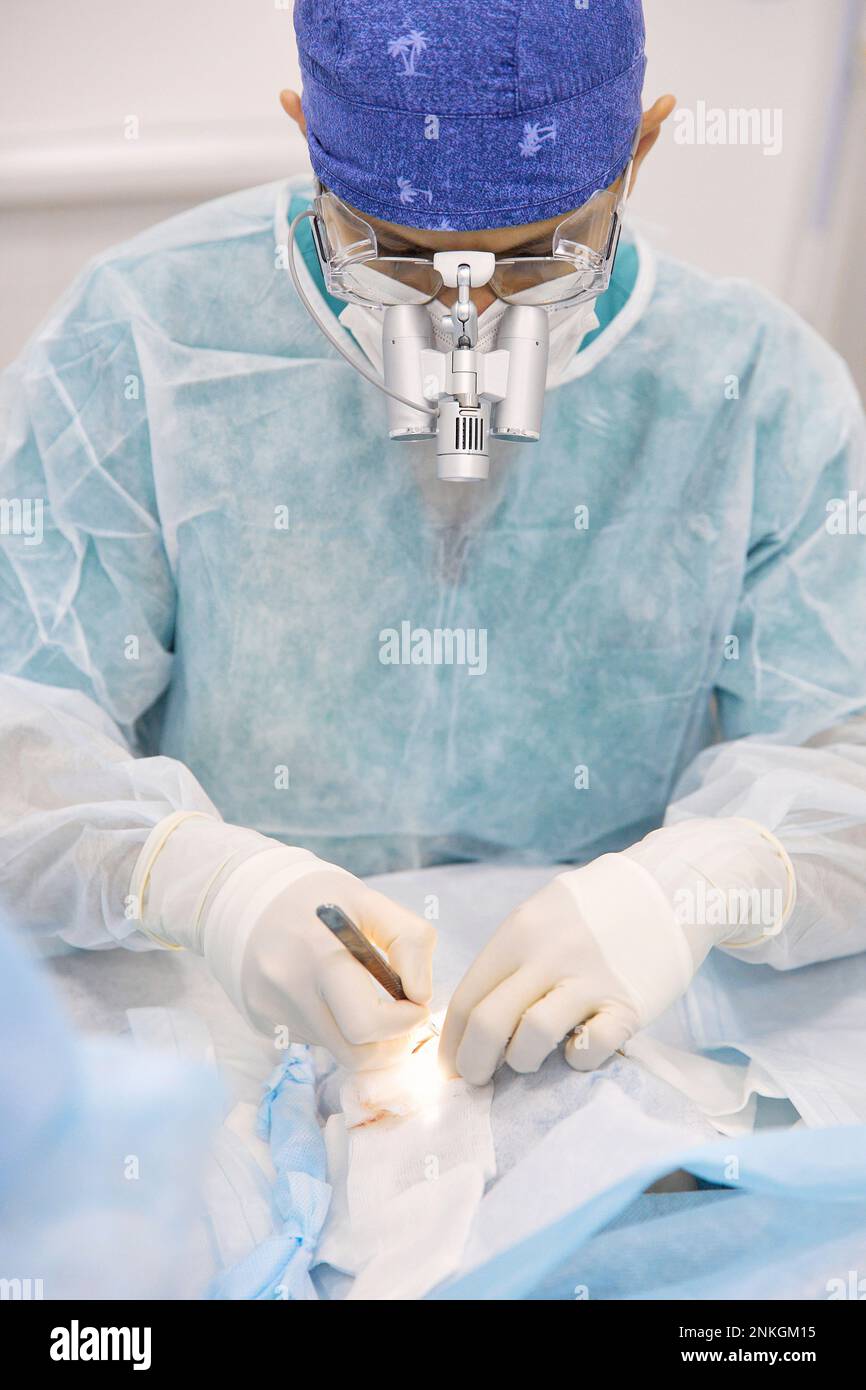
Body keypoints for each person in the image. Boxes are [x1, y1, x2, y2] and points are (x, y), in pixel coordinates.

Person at [1, 1, 864, 1083]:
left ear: (637, 151)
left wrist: (687, 888)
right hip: (220, 1025)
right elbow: (21, 722)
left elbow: (846, 757)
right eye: (400, 258)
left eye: (538, 257)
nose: (467, 325)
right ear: (304, 133)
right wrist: (201, 883)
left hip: (591, 1049)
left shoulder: (753, 392)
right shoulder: (142, 335)